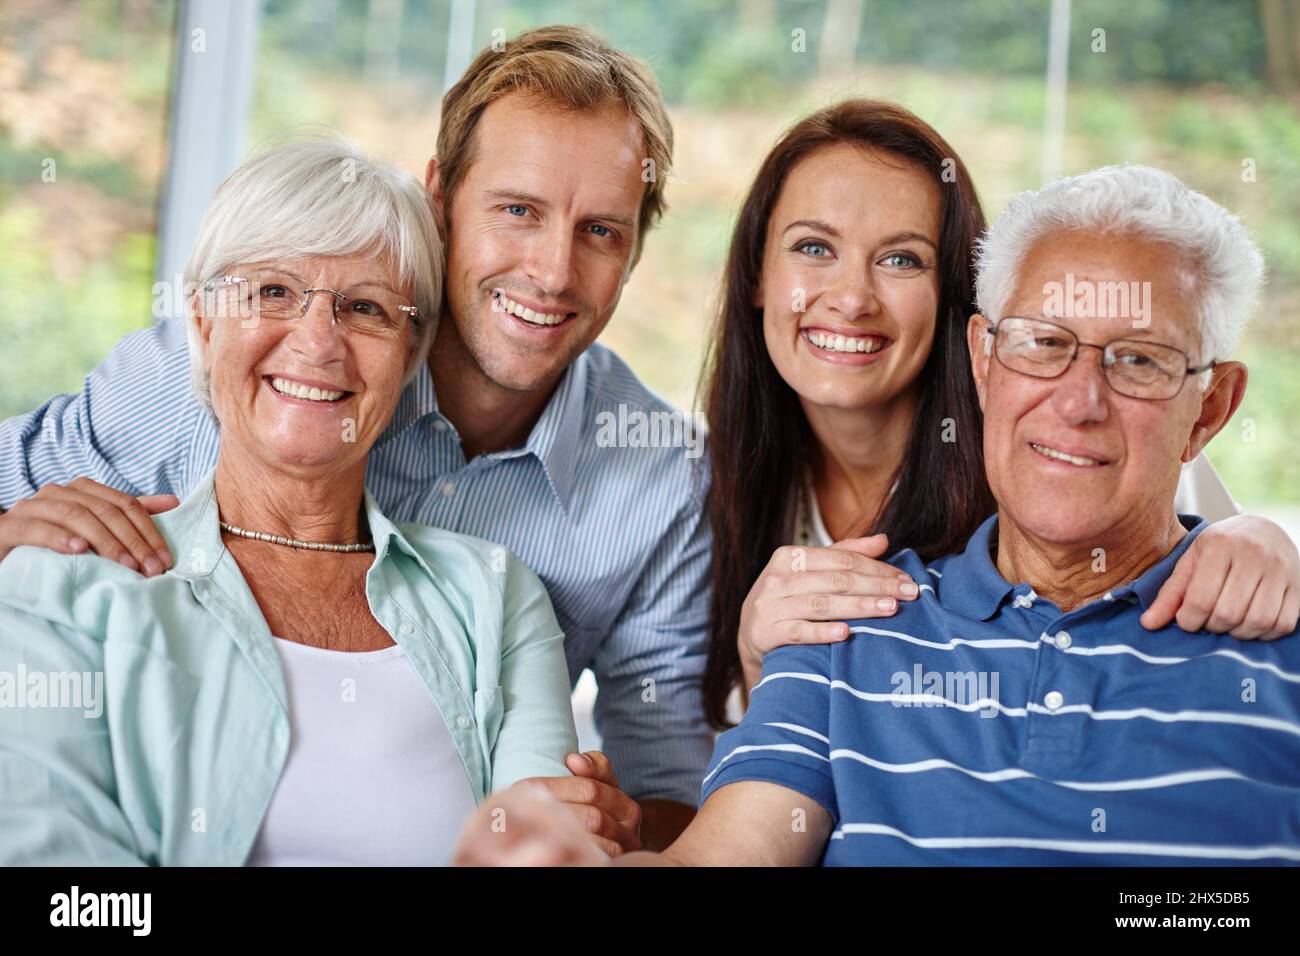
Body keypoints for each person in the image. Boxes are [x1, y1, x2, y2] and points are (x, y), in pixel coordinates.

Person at [453, 164, 1300, 866]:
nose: (1079, 401)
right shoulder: (839, 625)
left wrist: (1257, 538)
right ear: (984, 356)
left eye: (1139, 361)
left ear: (1213, 406)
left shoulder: (1263, 616)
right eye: (1043, 341)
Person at [0, 26, 704, 852]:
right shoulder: (220, 367)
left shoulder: (659, 483)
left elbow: (672, 797)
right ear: (440, 196)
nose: (552, 271)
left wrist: (614, 830)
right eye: (518, 210)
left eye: (601, 233)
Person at [700, 100, 1300, 728]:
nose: (851, 299)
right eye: (814, 247)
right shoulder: (709, 484)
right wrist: (755, 658)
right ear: (757, 275)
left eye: (902, 259)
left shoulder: (1056, 446)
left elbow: (1208, 549)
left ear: (955, 303)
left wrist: (1259, 541)